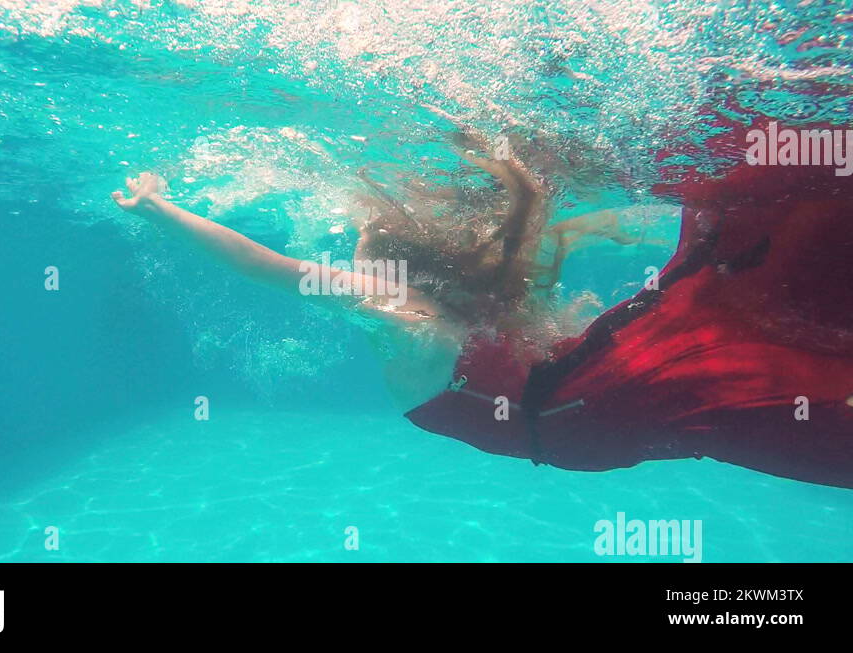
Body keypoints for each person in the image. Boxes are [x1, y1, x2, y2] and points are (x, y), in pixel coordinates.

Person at [112, 109, 853, 489]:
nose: (349, 271)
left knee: (742, 315)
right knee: (737, 273)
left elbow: (270, 268)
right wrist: (161, 209)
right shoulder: (445, 316)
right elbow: (273, 266)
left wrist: (160, 213)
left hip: (589, 418)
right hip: (589, 403)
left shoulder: (411, 322)